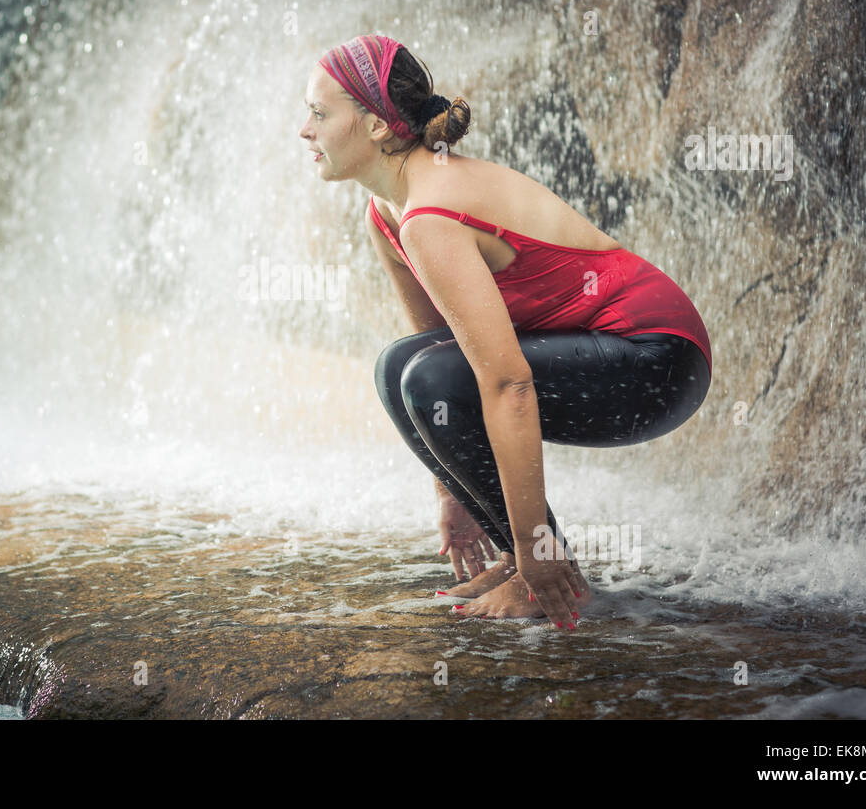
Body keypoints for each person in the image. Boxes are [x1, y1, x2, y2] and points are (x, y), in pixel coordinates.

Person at [300, 34, 712, 630]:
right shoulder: (387, 214)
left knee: (431, 375)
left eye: (318, 114)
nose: (304, 131)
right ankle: (527, 558)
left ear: (376, 128)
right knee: (399, 369)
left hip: (659, 360)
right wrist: (455, 494)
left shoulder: (430, 216)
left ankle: (542, 570)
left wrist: (533, 554)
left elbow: (507, 385)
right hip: (614, 354)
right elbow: (442, 353)